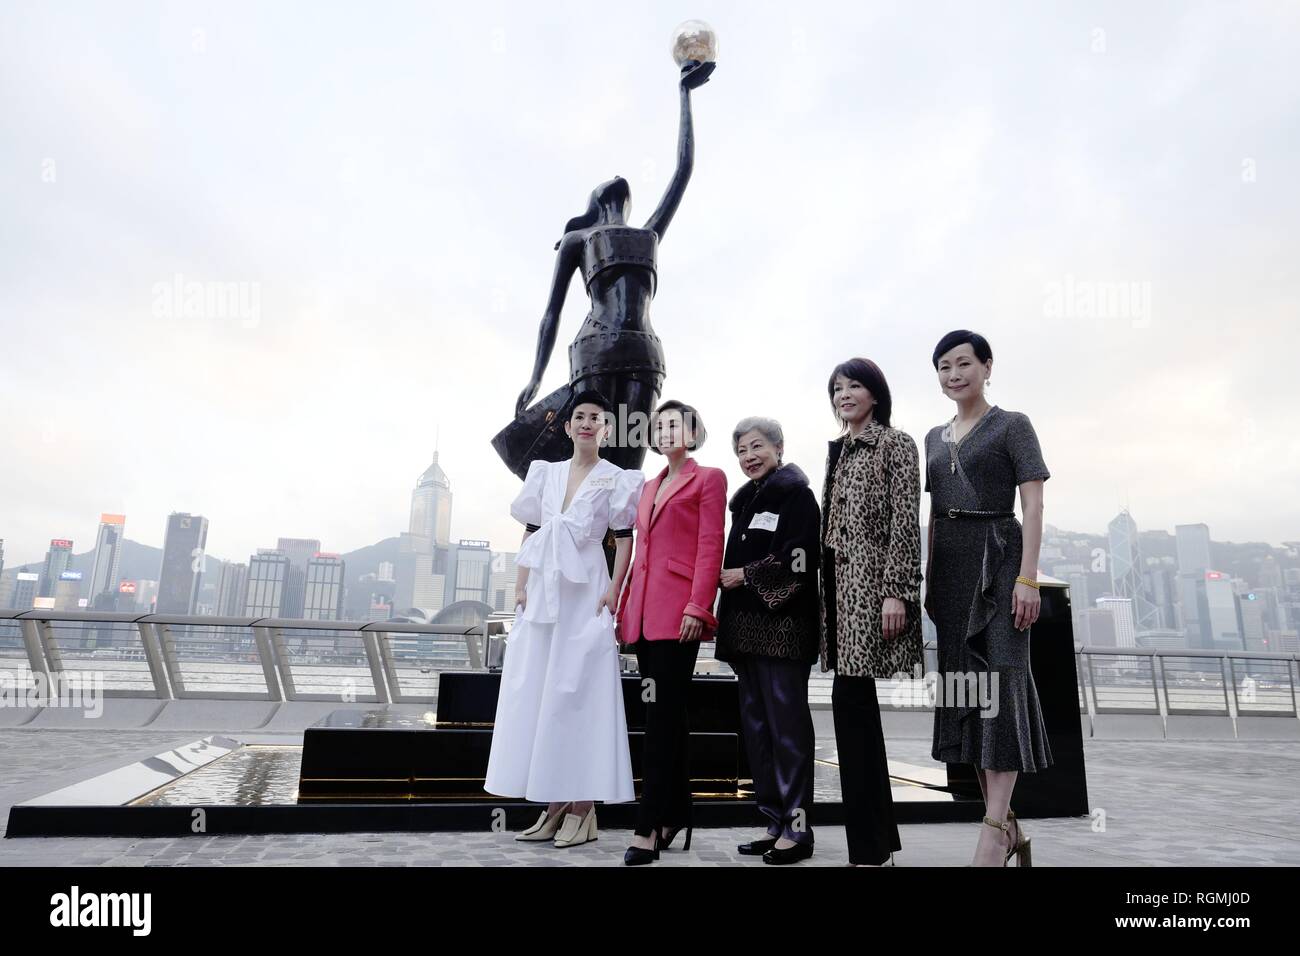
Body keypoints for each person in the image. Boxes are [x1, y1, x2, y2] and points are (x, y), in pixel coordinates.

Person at [492, 60, 714, 478]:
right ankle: (581, 540)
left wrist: (684, 95)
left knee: (627, 467)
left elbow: (683, 172)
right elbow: (550, 314)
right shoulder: (579, 240)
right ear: (593, 202)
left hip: (644, 354)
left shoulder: (648, 233)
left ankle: (621, 543)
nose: (615, 175)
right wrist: (535, 378)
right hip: (594, 354)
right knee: (590, 461)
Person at [484, 390, 645, 849]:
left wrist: (615, 588)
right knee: (541, 690)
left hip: (586, 589)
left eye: (597, 417)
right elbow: (532, 530)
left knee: (579, 689)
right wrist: (519, 584)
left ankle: (583, 807)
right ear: (568, 426)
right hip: (543, 586)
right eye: (581, 416)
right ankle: (553, 804)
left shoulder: (617, 479)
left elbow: (623, 537)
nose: (588, 423)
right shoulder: (545, 473)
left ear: (607, 428)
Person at [924, 330, 1052, 867]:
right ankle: (1009, 827)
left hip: (1000, 558)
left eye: (963, 364)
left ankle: (993, 831)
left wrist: (1028, 579)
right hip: (950, 570)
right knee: (968, 695)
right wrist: (928, 581)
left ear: (987, 366)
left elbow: (1035, 502)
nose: (954, 375)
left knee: (999, 681)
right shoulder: (932, 436)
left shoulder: (1012, 425)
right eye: (944, 367)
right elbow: (932, 515)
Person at [820, 358, 924, 867]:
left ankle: (870, 846)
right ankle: (877, 841)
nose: (844, 394)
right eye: (837, 388)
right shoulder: (839, 452)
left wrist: (897, 592)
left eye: (854, 385)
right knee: (854, 716)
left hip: (871, 595)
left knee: (853, 711)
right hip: (836, 599)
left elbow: (906, 522)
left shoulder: (895, 444)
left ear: (875, 394)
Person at [616, 400, 726, 865]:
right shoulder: (648, 485)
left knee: (661, 719)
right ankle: (675, 812)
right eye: (657, 425)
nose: (664, 431)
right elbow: (640, 552)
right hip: (643, 612)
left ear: (694, 431)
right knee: (668, 715)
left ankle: (647, 826)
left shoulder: (709, 478)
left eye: (674, 424)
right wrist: (623, 607)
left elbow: (710, 544)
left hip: (680, 612)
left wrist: (699, 606)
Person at [716, 416, 821, 865]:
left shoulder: (797, 495)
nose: (749, 457)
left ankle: (798, 831)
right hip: (745, 632)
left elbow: (802, 558)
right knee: (757, 731)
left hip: (784, 632)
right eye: (741, 451)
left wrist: (746, 575)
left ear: (779, 448)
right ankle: (774, 822)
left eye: (757, 447)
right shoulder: (744, 502)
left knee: (788, 731)